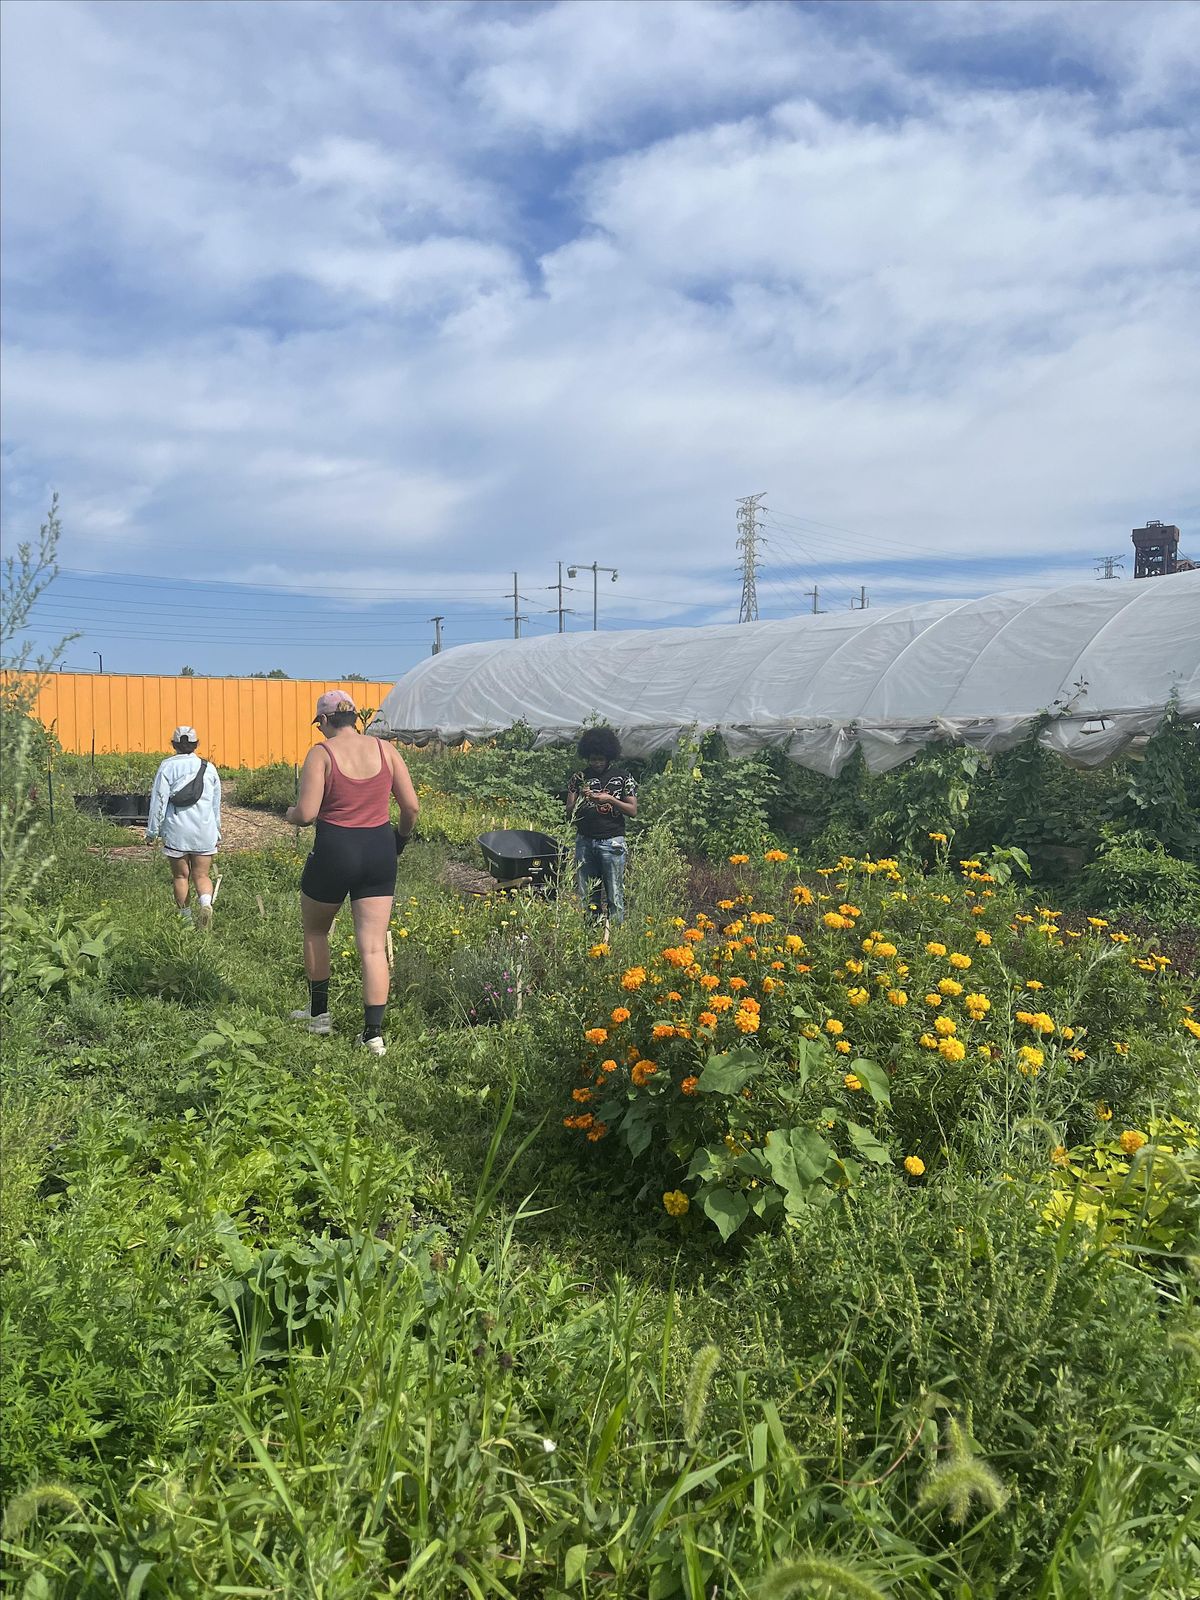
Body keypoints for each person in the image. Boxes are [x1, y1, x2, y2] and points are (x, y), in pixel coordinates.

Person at [285, 691, 419, 1055]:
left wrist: (291, 814)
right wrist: (399, 841)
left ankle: (319, 1017)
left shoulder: (321, 753)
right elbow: (411, 806)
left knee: (316, 930)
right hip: (379, 851)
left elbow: (309, 812)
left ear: (325, 722)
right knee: (373, 946)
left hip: (334, 849)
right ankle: (373, 1036)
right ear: (356, 719)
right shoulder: (385, 751)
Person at [146, 725, 222, 928]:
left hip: (176, 830)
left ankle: (186, 921)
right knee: (202, 875)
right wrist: (217, 830)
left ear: (174, 744)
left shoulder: (167, 767)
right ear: (197, 744)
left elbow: (159, 801)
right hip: (205, 830)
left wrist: (152, 831)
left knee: (181, 876)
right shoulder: (209, 768)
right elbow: (216, 803)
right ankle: (206, 904)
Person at [566, 726, 637, 927]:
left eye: (600, 759)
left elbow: (632, 810)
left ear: (608, 757)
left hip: (611, 842)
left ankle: (614, 933)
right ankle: (591, 931)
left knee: (614, 892)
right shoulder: (578, 778)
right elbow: (569, 812)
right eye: (592, 759)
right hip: (584, 842)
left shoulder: (623, 777)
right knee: (588, 893)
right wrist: (580, 797)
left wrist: (609, 799)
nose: (596, 763)